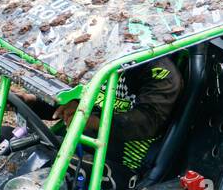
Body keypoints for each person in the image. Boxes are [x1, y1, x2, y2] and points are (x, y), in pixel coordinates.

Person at [25, 56, 184, 180]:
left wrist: (91, 121)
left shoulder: (159, 71)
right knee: (11, 141)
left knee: (55, 174)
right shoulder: (99, 57)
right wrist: (30, 102)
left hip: (125, 165)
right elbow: (66, 101)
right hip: (77, 146)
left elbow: (147, 122)